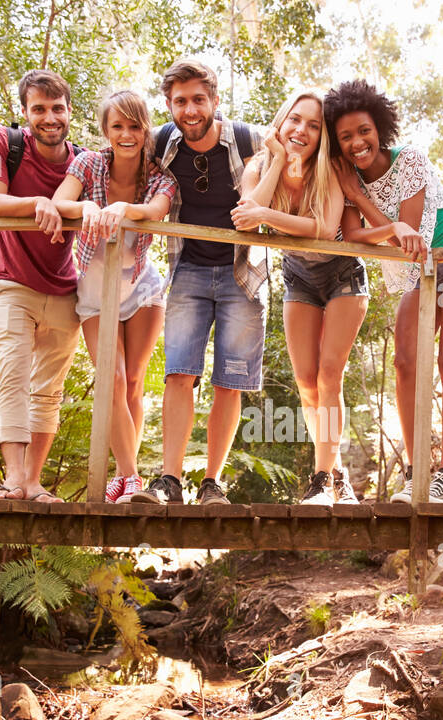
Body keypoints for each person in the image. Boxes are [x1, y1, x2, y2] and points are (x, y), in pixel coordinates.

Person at [325, 79, 443, 506]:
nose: (357, 142)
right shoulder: (347, 176)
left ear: (379, 127)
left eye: (364, 130)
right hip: (420, 271)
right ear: (337, 143)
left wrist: (357, 197)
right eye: (345, 137)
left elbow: (409, 237)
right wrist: (354, 196)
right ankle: (417, 472)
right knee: (404, 362)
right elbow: (353, 237)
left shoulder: (410, 161)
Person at [131, 58, 266, 506]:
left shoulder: (248, 139)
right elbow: (116, 161)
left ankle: (211, 483)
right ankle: (169, 480)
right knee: (179, 374)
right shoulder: (161, 143)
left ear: (215, 101)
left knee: (229, 381)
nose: (189, 110)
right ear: (169, 105)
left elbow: (295, 171)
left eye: (198, 100)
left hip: (241, 273)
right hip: (187, 268)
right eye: (179, 102)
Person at [232, 89, 367, 505]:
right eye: (295, 119)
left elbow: (325, 228)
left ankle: (322, 479)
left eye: (313, 125)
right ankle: (338, 473)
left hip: (342, 273)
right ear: (282, 120)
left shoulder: (330, 167)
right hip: (299, 277)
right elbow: (245, 218)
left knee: (329, 376)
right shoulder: (258, 165)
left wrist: (266, 216)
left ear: (321, 135)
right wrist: (274, 158)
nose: (302, 130)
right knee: (307, 385)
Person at [51, 90, 176, 503]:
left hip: (140, 286)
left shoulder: (159, 174)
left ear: (145, 130)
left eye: (134, 126)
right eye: (117, 126)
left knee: (134, 383)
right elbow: (60, 203)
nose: (126, 134)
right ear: (106, 131)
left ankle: (124, 482)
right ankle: (133, 476)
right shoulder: (87, 163)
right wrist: (86, 206)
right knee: (113, 380)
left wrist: (122, 208)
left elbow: (156, 210)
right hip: (94, 288)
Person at [0, 69, 85, 503]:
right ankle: (14, 481)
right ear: (24, 113)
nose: (49, 117)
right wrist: (39, 202)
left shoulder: (82, 159)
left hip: (64, 289)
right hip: (11, 282)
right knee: (12, 375)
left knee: (48, 390)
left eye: (57, 108)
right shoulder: (5, 142)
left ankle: (34, 482)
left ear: (69, 112)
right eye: (39, 109)